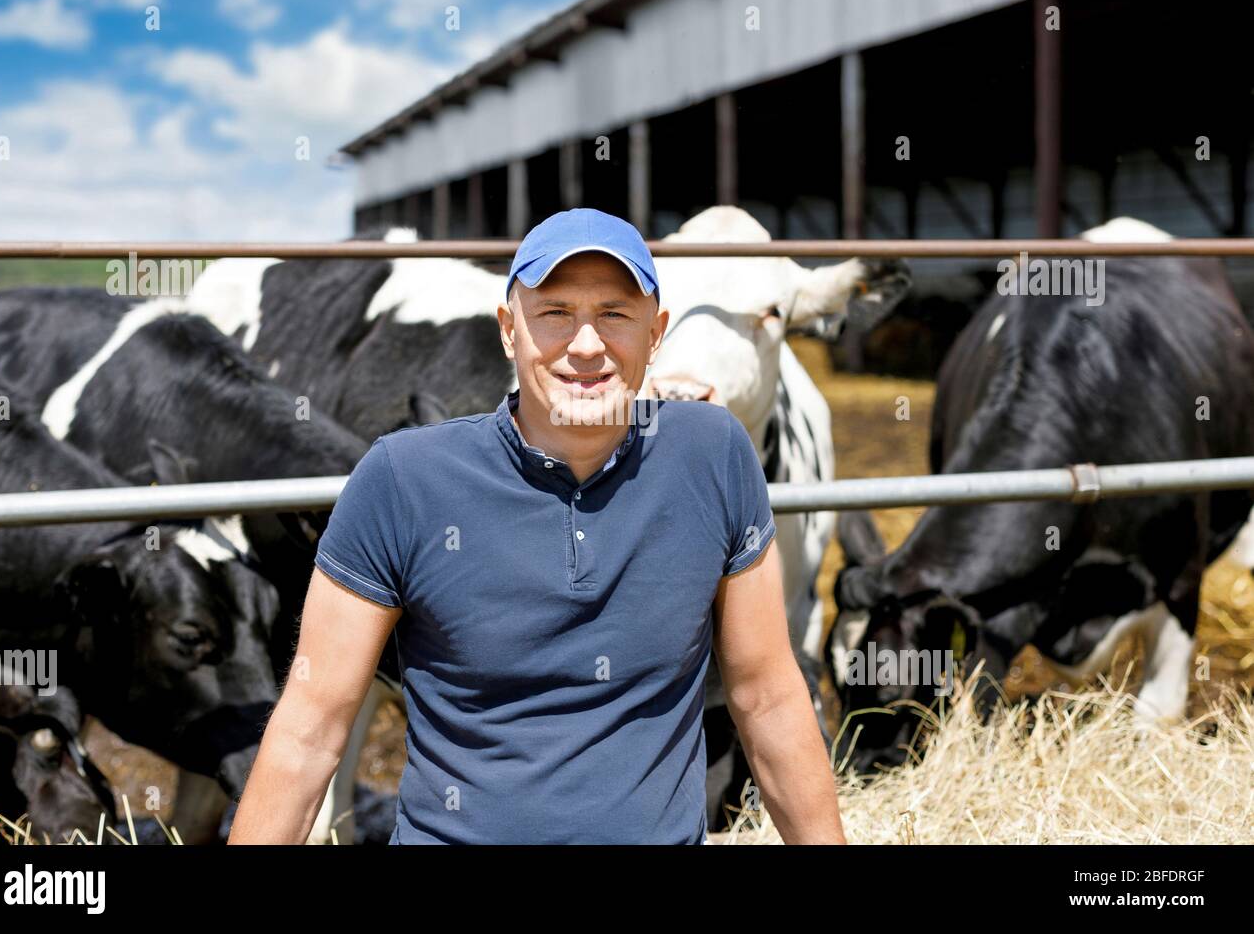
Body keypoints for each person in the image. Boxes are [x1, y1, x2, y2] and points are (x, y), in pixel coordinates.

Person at [228, 208, 845, 844]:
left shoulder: (713, 457)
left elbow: (767, 696)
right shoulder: (402, 478)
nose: (586, 345)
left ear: (656, 332)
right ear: (508, 330)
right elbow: (310, 724)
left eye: (614, 313)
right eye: (554, 313)